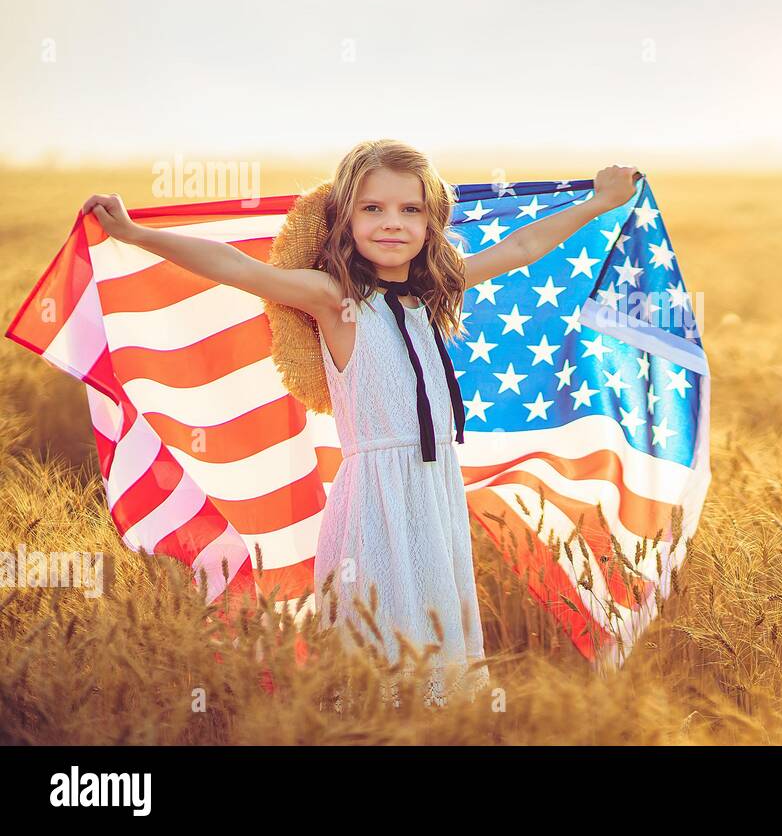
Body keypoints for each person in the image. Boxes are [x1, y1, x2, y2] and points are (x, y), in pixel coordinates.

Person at [81, 139, 639, 707]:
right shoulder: (334, 299)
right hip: (376, 499)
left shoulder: (434, 292)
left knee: (437, 625)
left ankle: (442, 722)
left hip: (433, 487)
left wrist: (600, 201)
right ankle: (375, 720)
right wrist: (135, 233)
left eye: (410, 210)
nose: (391, 224)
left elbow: (522, 245)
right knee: (382, 636)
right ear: (345, 220)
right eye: (373, 209)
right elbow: (236, 267)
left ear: (431, 222)